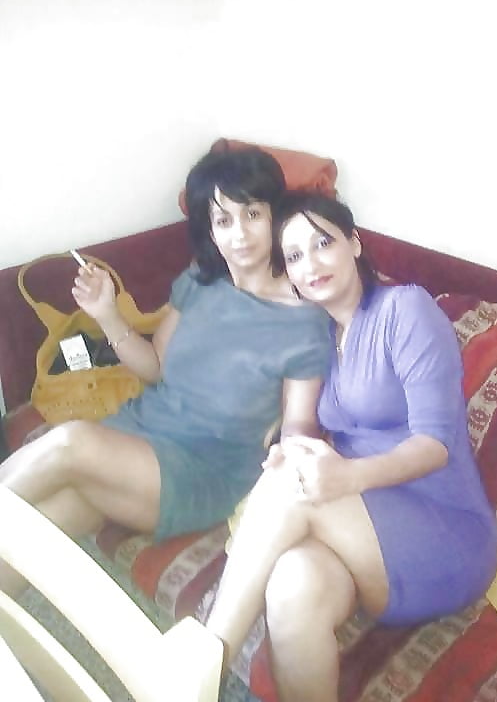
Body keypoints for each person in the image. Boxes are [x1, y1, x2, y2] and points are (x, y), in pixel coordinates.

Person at [205, 190, 497, 702]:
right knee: (292, 585)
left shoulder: (405, 309)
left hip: (443, 528)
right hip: (367, 528)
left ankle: (200, 667)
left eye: (323, 243)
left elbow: (435, 445)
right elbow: (302, 427)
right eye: (295, 256)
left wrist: (345, 476)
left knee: (294, 486)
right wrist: (287, 452)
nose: (311, 263)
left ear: (354, 244)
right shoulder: (318, 335)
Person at [0, 151, 331, 599]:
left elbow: (298, 424)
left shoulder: (304, 321)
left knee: (67, 442)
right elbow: (154, 368)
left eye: (253, 214)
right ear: (209, 229)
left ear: (275, 215)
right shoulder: (200, 280)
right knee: (40, 528)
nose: (239, 234)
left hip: (203, 469)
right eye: (224, 220)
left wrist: (291, 458)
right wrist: (106, 313)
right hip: (139, 431)